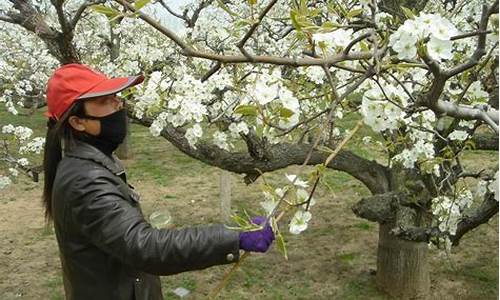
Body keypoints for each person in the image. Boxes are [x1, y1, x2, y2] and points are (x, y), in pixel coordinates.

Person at [42, 64, 275, 300]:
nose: (118, 105)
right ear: (78, 122)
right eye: (104, 101)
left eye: (115, 97)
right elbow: (146, 248)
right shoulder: (85, 180)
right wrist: (235, 237)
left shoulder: (90, 163)